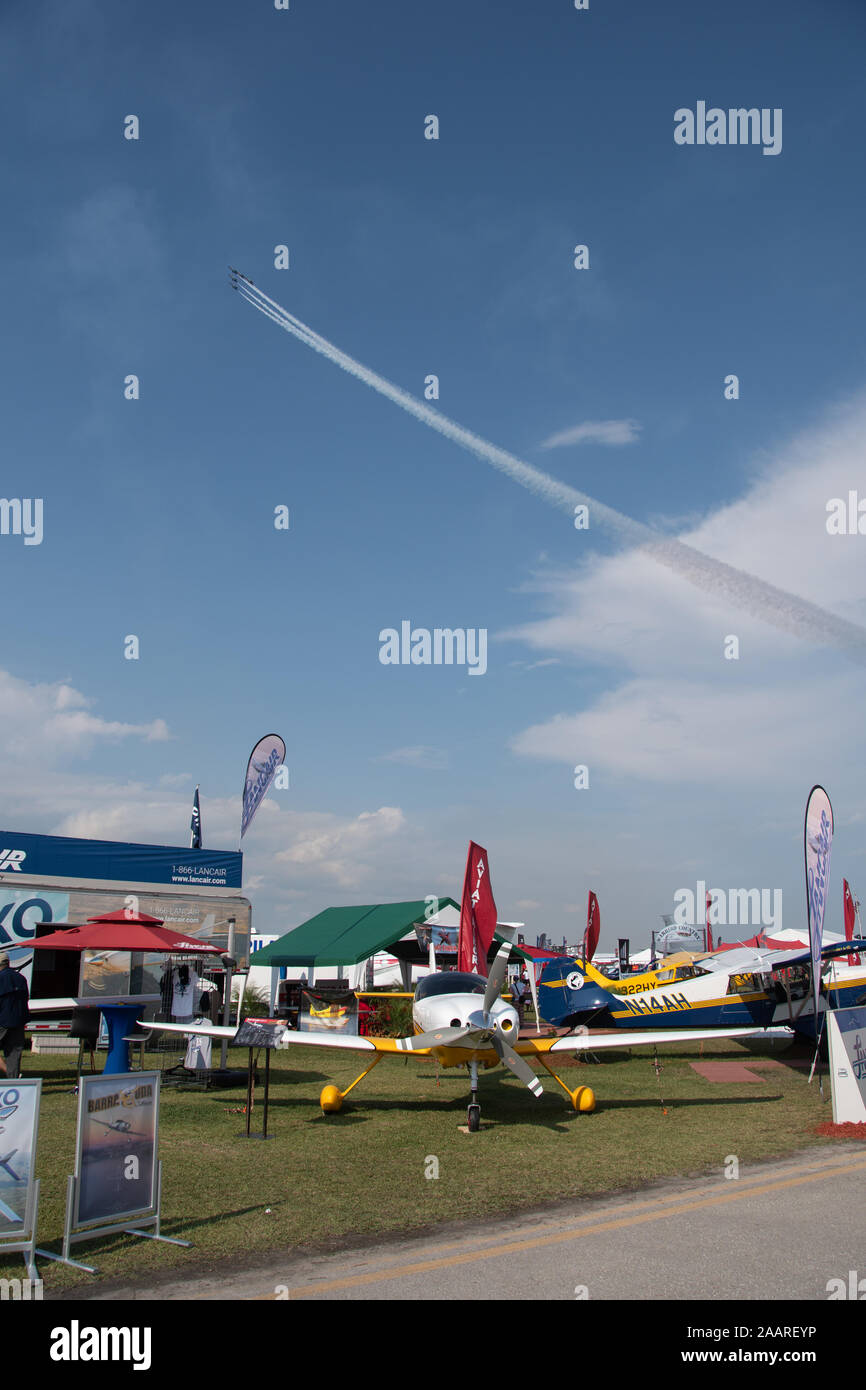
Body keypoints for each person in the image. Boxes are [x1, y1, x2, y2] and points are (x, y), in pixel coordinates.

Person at [0, 951, 30, 1078]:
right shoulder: (21, 978)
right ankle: (14, 1084)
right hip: (18, 1022)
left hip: (2, 1021)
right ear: (8, 963)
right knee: (14, 1056)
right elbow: (26, 999)